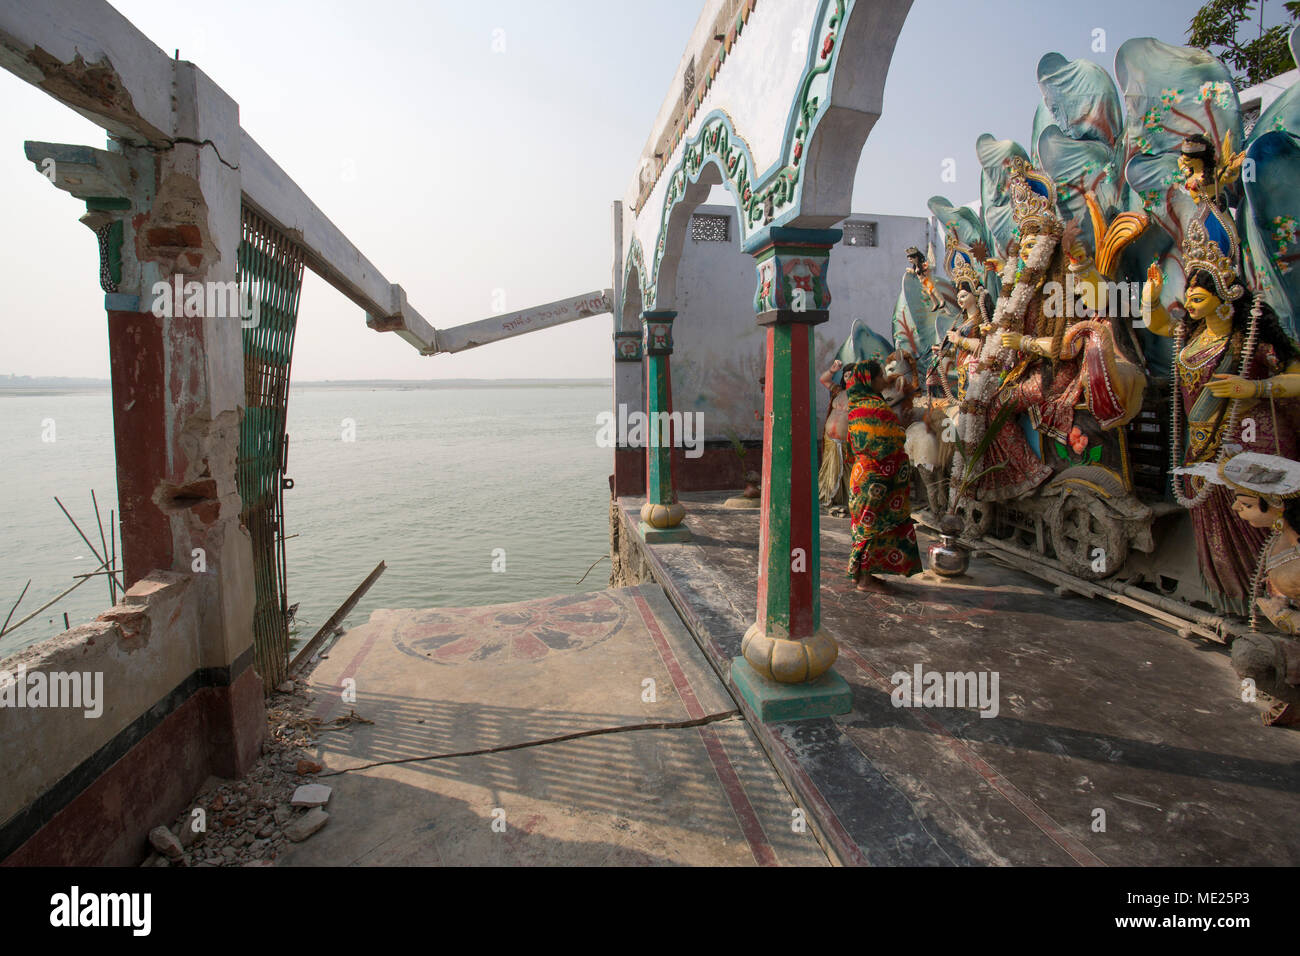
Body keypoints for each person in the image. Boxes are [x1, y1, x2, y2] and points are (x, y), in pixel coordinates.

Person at [843, 360, 922, 592]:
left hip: (866, 476)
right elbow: (891, 439)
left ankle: (862, 576)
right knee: (870, 527)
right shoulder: (872, 408)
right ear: (869, 380)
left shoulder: (859, 404)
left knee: (866, 527)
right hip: (875, 479)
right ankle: (865, 580)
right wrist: (900, 429)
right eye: (879, 377)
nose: (882, 381)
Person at [818, 359, 851, 514]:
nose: (848, 378)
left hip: (847, 442)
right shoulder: (838, 391)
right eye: (846, 375)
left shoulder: (861, 396)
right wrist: (833, 369)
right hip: (830, 440)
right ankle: (829, 498)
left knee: (847, 472)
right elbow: (823, 379)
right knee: (829, 471)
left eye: (852, 376)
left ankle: (847, 500)